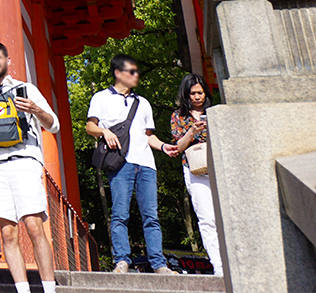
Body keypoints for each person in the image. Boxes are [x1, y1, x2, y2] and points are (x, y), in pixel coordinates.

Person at [0, 42, 59, 293]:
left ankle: (49, 289)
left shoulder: (26, 89)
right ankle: (22, 289)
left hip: (24, 161)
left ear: (7, 59)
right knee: (8, 232)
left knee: (34, 226)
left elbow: (54, 125)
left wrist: (35, 109)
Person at [86, 54, 178, 275]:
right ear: (118, 73)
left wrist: (164, 147)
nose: (135, 75)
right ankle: (122, 260)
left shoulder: (143, 102)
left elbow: (148, 136)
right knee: (120, 213)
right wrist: (104, 131)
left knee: (151, 215)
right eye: (131, 71)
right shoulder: (101, 98)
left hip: (146, 164)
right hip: (120, 163)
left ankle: (158, 263)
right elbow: (90, 127)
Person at [168, 73, 220, 276]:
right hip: (195, 170)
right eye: (193, 93)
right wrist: (192, 131)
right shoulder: (178, 116)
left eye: (200, 92)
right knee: (207, 218)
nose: (198, 97)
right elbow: (177, 148)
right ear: (186, 94)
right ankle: (219, 266)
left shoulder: (215, 112)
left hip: (219, 167)